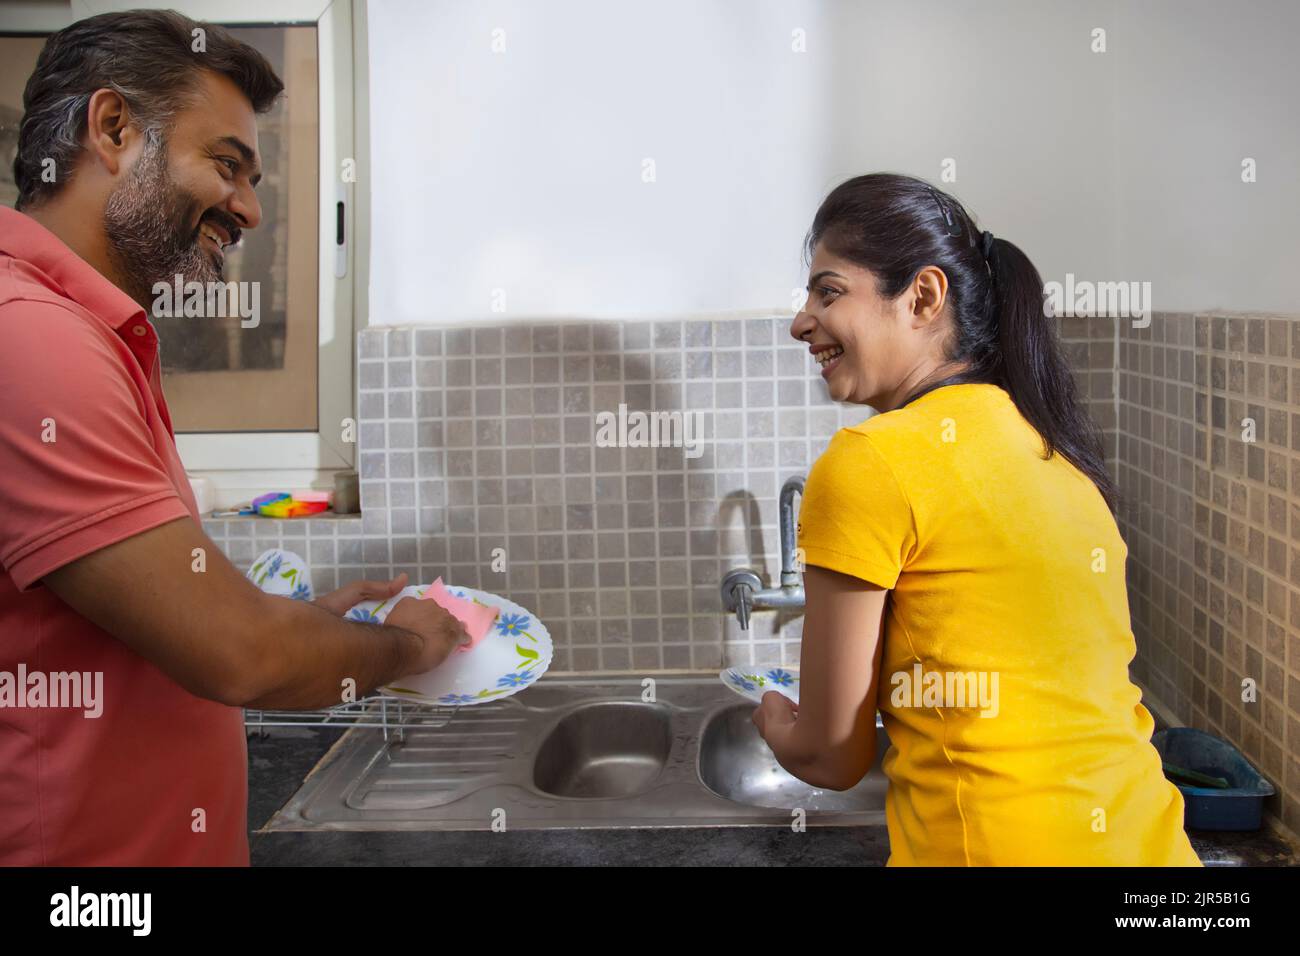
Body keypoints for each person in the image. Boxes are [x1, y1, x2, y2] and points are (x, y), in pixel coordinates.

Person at [0, 10, 466, 866]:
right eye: (227, 165)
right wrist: (408, 647)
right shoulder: (32, 339)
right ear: (112, 129)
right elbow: (239, 657)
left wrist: (299, 624)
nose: (249, 208)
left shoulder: (89, 334)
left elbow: (172, 625)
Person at [753, 173, 1201, 866]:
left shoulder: (870, 460)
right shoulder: (1058, 455)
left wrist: (774, 720)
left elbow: (829, 756)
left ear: (924, 297)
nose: (800, 320)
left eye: (829, 291)